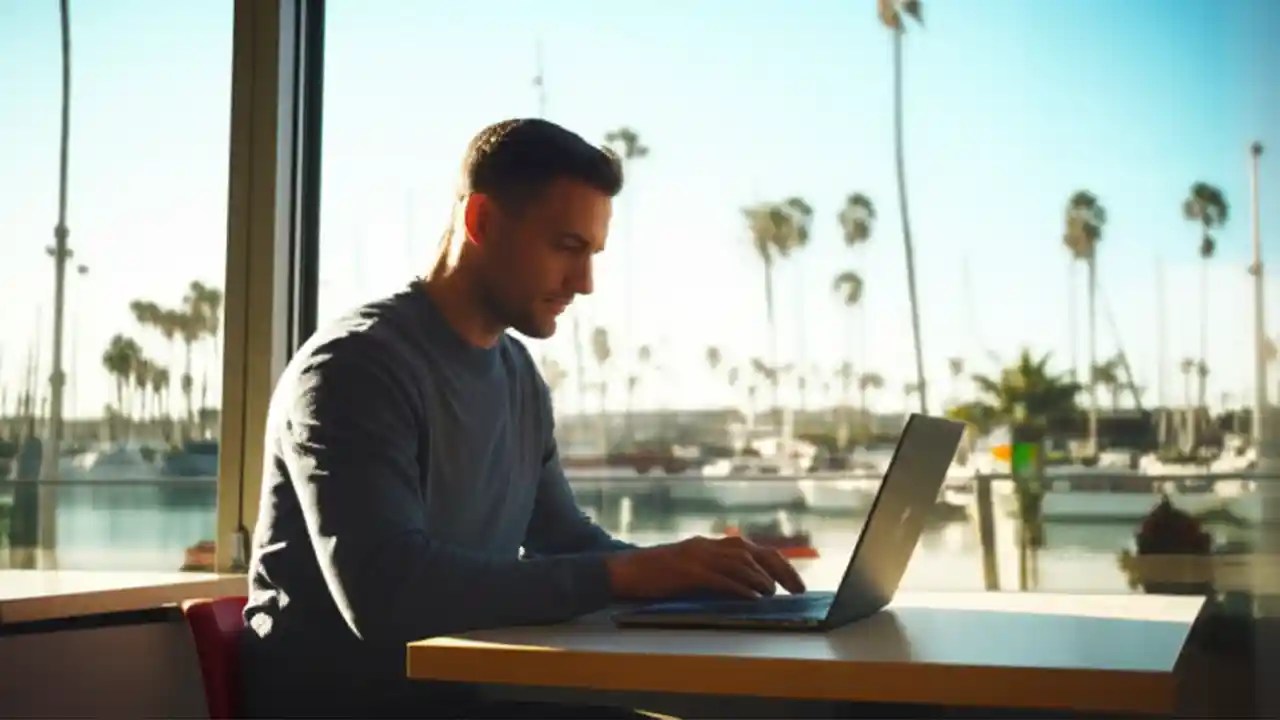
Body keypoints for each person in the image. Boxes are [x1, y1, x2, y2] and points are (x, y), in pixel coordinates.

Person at [240, 118, 805, 718]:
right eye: (567, 247)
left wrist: (693, 575)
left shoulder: (517, 376)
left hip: (465, 695)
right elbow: (387, 594)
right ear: (481, 222)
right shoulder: (353, 368)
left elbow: (567, 541)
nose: (584, 284)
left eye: (592, 254)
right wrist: (631, 574)